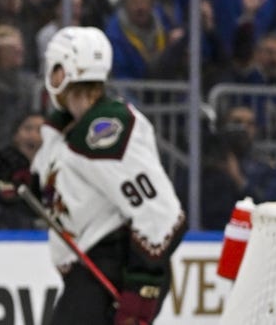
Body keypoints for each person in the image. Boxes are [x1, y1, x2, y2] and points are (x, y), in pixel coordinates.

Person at [30, 26, 186, 324]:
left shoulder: (107, 128)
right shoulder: (64, 131)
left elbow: (162, 213)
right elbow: (50, 194)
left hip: (116, 267)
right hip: (89, 267)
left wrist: (142, 286)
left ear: (64, 71)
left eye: (53, 67)